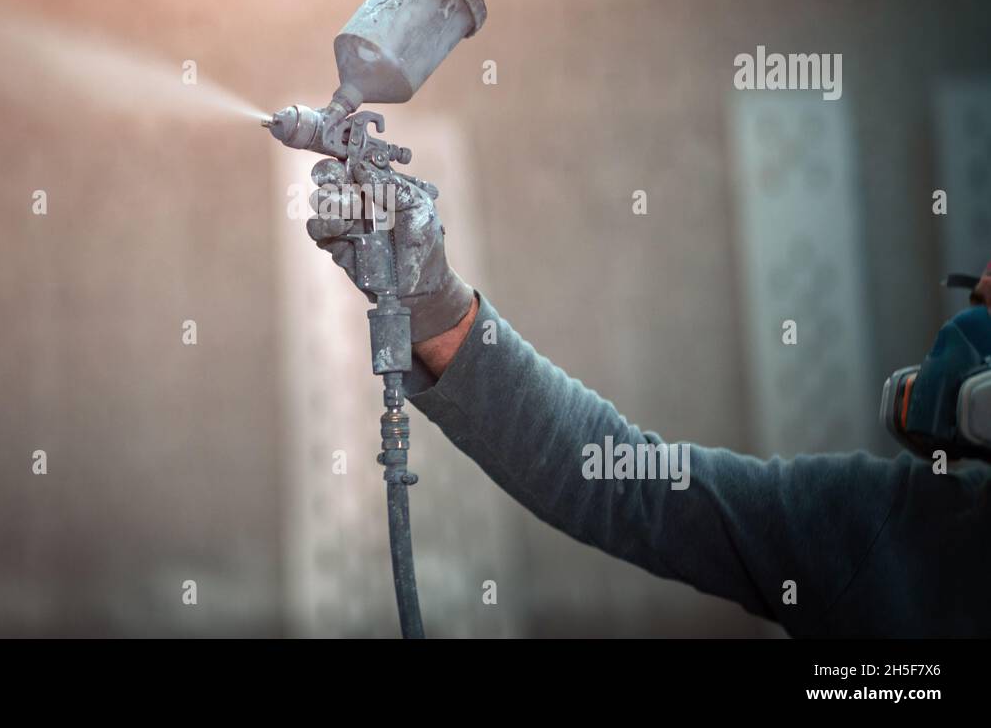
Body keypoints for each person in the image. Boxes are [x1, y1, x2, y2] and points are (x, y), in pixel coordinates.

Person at [305, 158, 991, 637]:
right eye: (977, 300)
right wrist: (432, 304)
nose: (964, 339)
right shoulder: (889, 532)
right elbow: (619, 480)